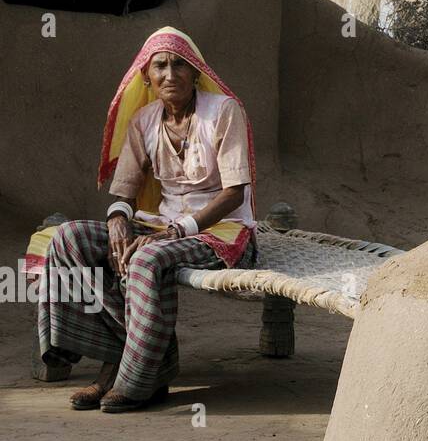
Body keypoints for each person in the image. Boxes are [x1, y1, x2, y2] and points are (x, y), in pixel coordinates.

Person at [29, 27, 257, 412]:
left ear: (196, 72)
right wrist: (118, 218)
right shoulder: (145, 120)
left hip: (221, 229)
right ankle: (132, 356)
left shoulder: (224, 112)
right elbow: (125, 192)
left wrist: (176, 230)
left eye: (180, 65)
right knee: (68, 239)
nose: (170, 75)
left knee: (146, 258)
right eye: (161, 66)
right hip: (163, 223)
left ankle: (134, 380)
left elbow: (234, 192)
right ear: (147, 77)